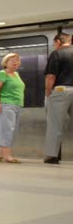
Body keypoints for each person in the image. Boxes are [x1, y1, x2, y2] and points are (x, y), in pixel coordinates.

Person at [44, 32, 73, 164]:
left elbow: (51, 76)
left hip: (61, 90)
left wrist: (48, 91)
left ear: (58, 42)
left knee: (54, 124)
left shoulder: (57, 53)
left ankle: (52, 156)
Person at [0, 53, 25, 164]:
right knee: (7, 130)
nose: (15, 62)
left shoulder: (16, 74)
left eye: (17, 60)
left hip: (17, 105)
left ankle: (0, 155)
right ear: (5, 62)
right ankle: (7, 156)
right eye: (12, 60)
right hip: (5, 105)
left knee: (8, 130)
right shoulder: (2, 74)